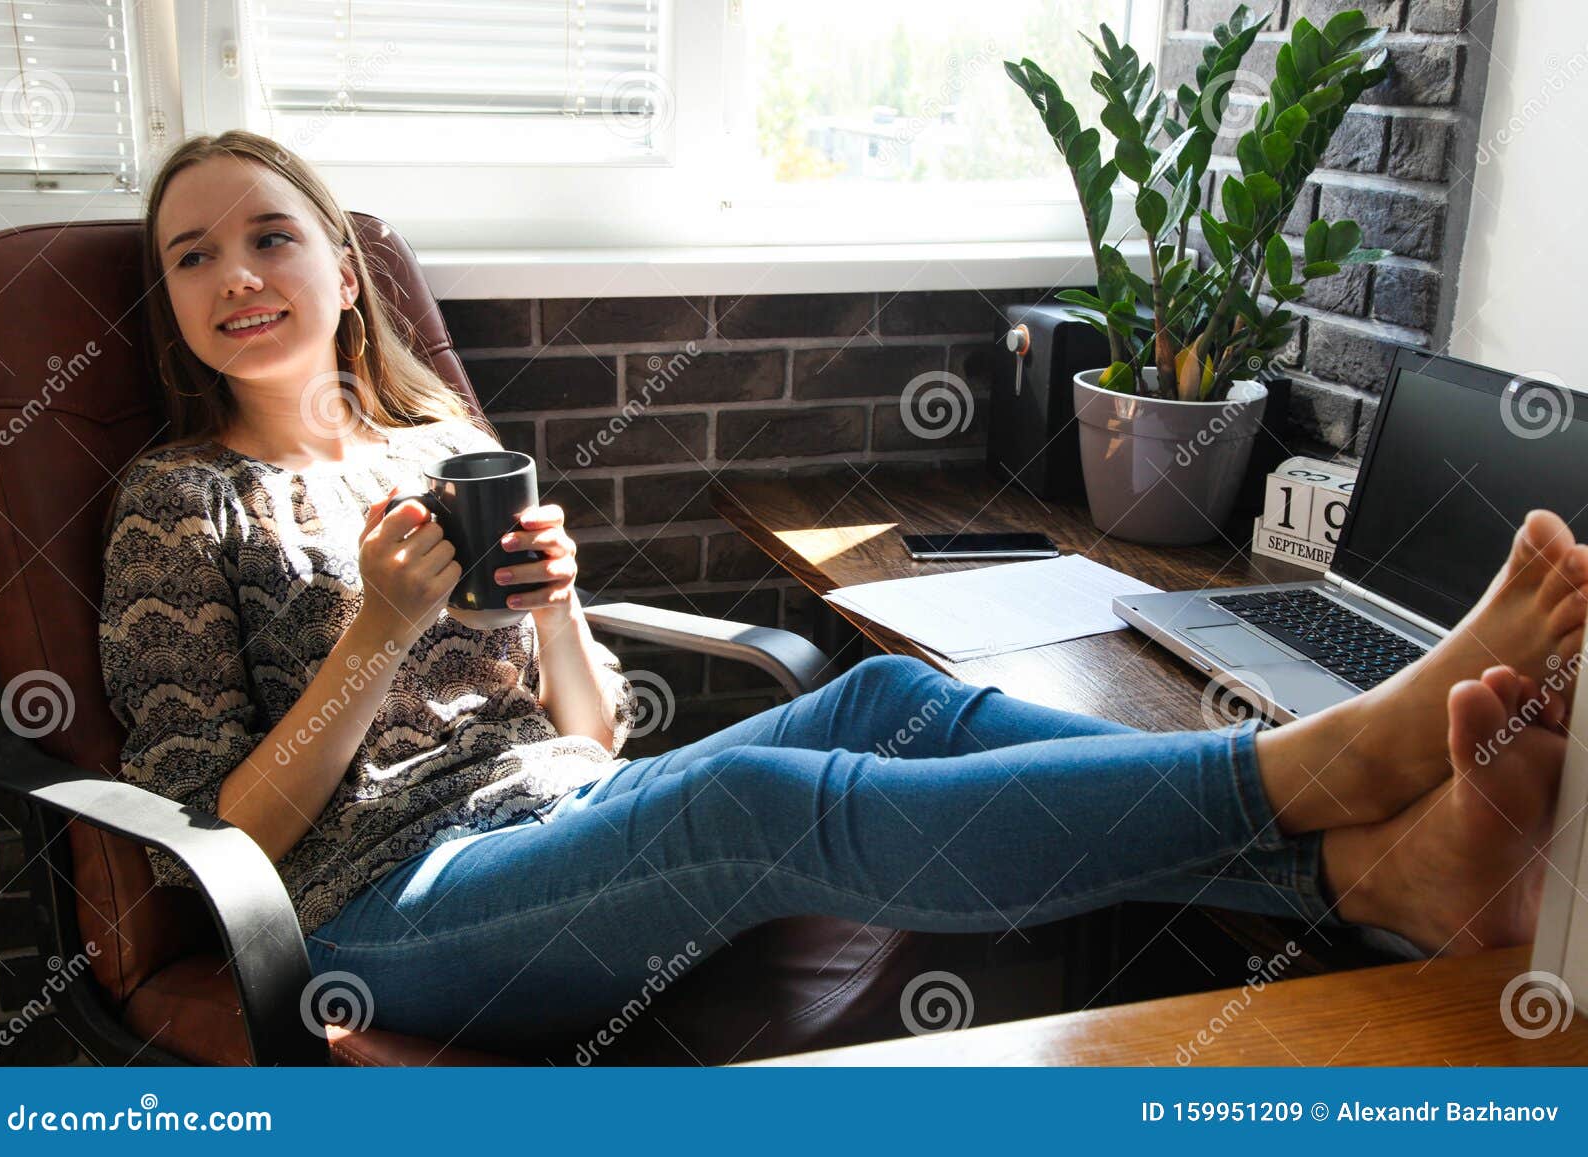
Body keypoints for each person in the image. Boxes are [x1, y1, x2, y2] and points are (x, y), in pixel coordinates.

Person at [98, 131, 1587, 1053]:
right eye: (193, 254)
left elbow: (598, 734)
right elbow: (204, 850)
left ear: (342, 269)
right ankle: (1346, 767)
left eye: (270, 234)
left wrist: (555, 609)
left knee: (878, 690)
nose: (238, 273)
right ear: (171, 301)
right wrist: (375, 634)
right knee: (754, 809)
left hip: (565, 810)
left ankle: (1380, 875)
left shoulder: (446, 449)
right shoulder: (178, 504)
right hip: (373, 910)